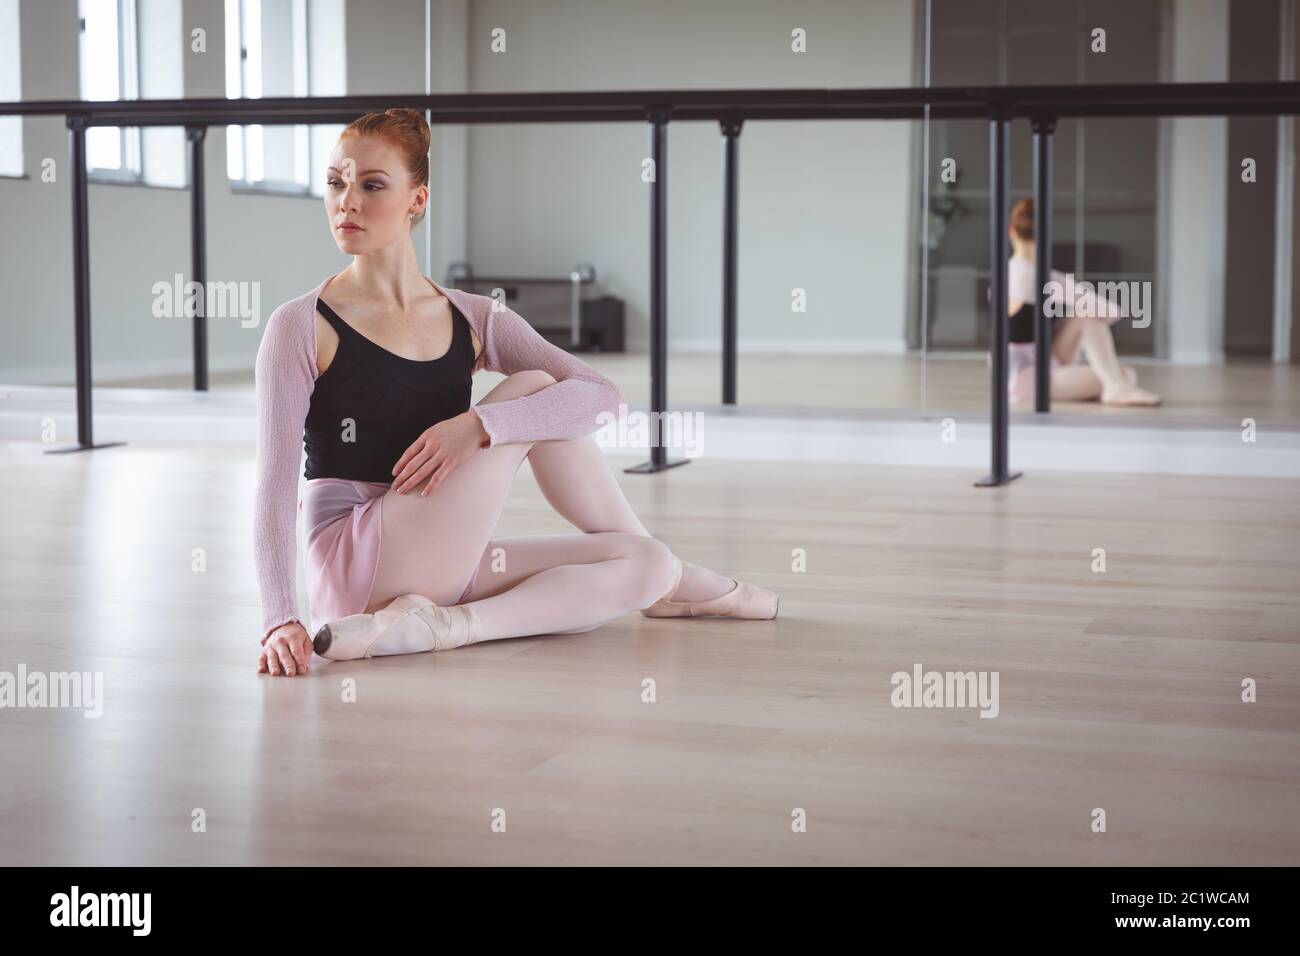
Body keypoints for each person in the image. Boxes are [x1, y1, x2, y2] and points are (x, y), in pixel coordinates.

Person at [253, 109, 778, 677]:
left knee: (644, 561)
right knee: (533, 388)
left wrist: (479, 426)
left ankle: (448, 626)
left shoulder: (473, 316)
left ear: (417, 199)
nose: (346, 201)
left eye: (371, 184)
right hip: (356, 557)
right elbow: (274, 485)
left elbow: (602, 395)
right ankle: (684, 584)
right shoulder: (300, 324)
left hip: (440, 558)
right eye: (335, 182)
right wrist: (280, 616)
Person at [1002, 197, 1161, 406]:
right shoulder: (1044, 277)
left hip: (1013, 374)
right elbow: (1111, 312)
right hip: (1033, 381)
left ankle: (1111, 387)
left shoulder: (1002, 275)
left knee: (1087, 323)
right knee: (1126, 375)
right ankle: (1114, 387)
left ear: (1011, 231)